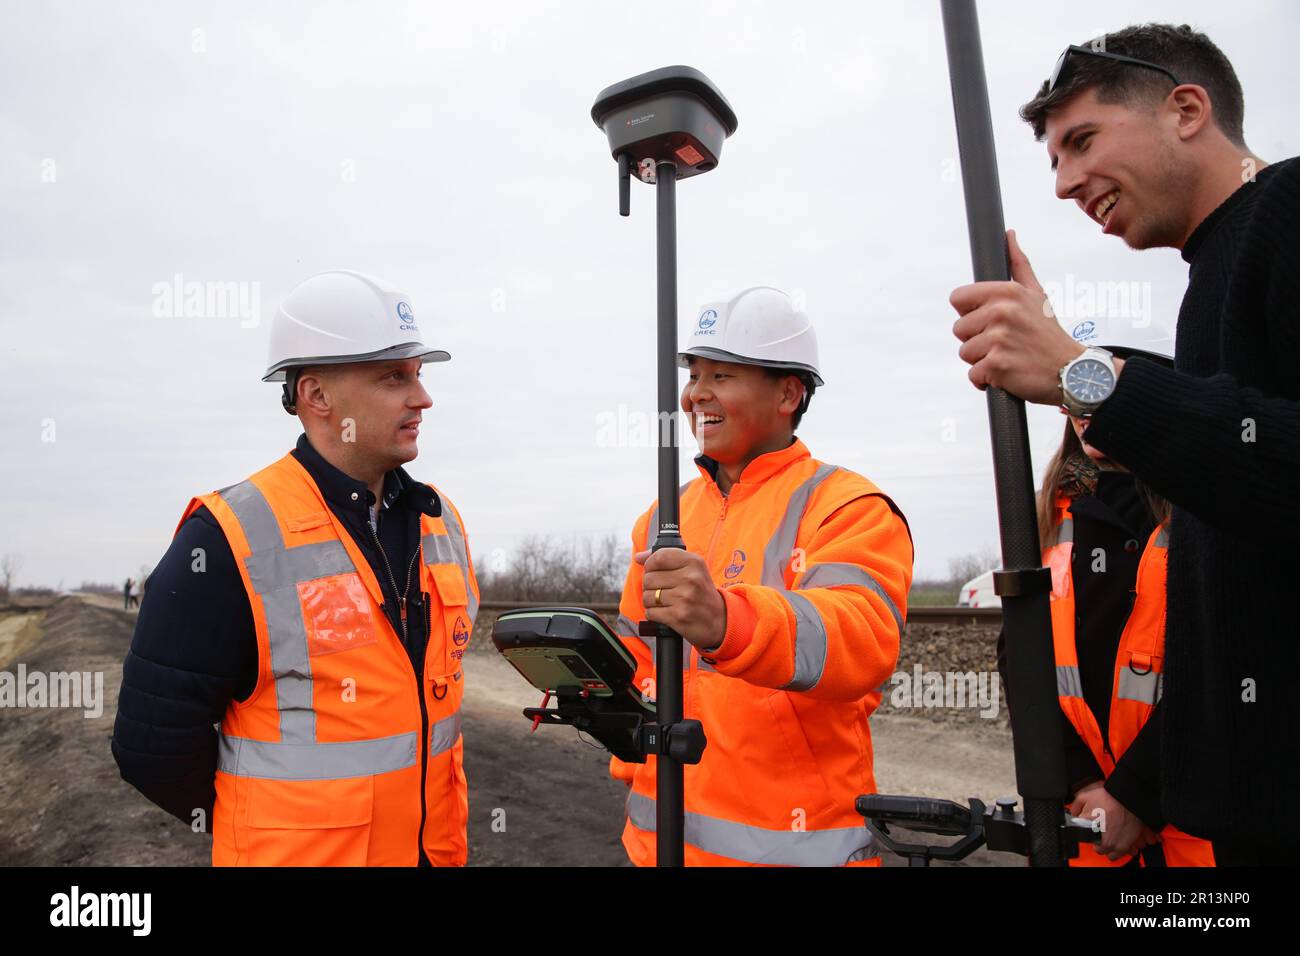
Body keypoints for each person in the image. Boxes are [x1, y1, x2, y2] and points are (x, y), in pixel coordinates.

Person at [949, 24, 1299, 862]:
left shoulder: (1287, 214)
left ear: (1185, 109)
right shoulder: (1211, 275)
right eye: (1055, 163)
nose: (1067, 183)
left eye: (1082, 141)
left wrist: (1082, 376)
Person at [111, 270, 479, 866]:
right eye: (393, 377)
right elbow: (153, 749)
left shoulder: (442, 523)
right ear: (317, 396)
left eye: (418, 375)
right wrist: (281, 826)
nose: (422, 398)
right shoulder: (229, 538)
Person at [609, 287, 914, 866]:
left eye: (721, 375)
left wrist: (728, 620)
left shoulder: (847, 505)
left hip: (793, 849)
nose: (696, 393)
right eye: (694, 375)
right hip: (657, 843)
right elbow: (636, 660)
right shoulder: (663, 517)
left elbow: (861, 641)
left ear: (788, 393)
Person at [1023, 316, 1212, 866]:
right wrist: (1080, 782)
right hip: (1094, 830)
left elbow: (1230, 670)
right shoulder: (1053, 518)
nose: (1081, 407)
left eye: (1099, 382)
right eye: (1073, 387)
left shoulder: (1210, 508)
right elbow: (1024, 661)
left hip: (1197, 833)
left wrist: (1135, 795)